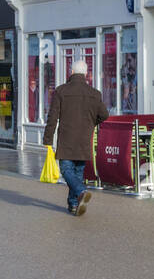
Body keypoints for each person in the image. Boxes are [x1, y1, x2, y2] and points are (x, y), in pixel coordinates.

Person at [42, 60, 108, 216]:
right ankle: (73, 204)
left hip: (67, 139)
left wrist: (47, 140)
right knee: (78, 171)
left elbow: (52, 118)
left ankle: (81, 191)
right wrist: (92, 123)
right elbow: (104, 115)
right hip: (84, 139)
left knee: (66, 170)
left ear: (71, 72)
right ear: (86, 75)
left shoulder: (61, 91)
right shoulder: (95, 93)